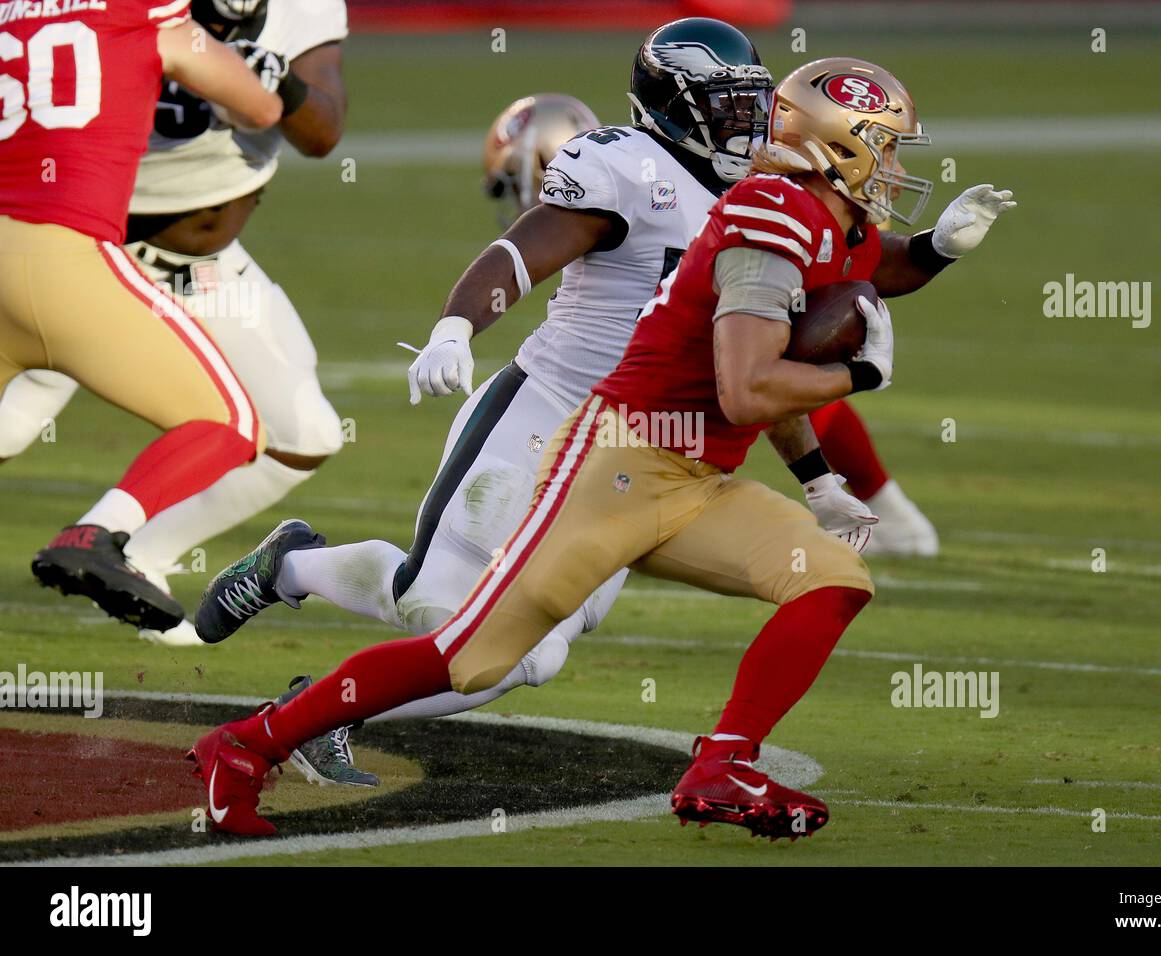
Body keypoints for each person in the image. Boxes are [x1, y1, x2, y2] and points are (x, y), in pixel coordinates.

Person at [187, 56, 1015, 838]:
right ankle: (250, 741)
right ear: (839, 144)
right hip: (614, 465)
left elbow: (786, 351)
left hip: (697, 478)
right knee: (468, 656)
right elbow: (748, 388)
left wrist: (820, 477)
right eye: (886, 145)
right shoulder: (768, 213)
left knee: (833, 580)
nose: (897, 165)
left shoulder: (817, 219)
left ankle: (722, 768)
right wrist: (856, 380)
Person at [0, 0, 349, 646]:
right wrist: (257, 80)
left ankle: (140, 555)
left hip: (183, 264)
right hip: (91, 253)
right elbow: (256, 104)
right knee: (221, 422)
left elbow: (321, 130)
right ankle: (97, 536)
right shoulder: (147, 13)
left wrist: (282, 77)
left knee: (304, 433)